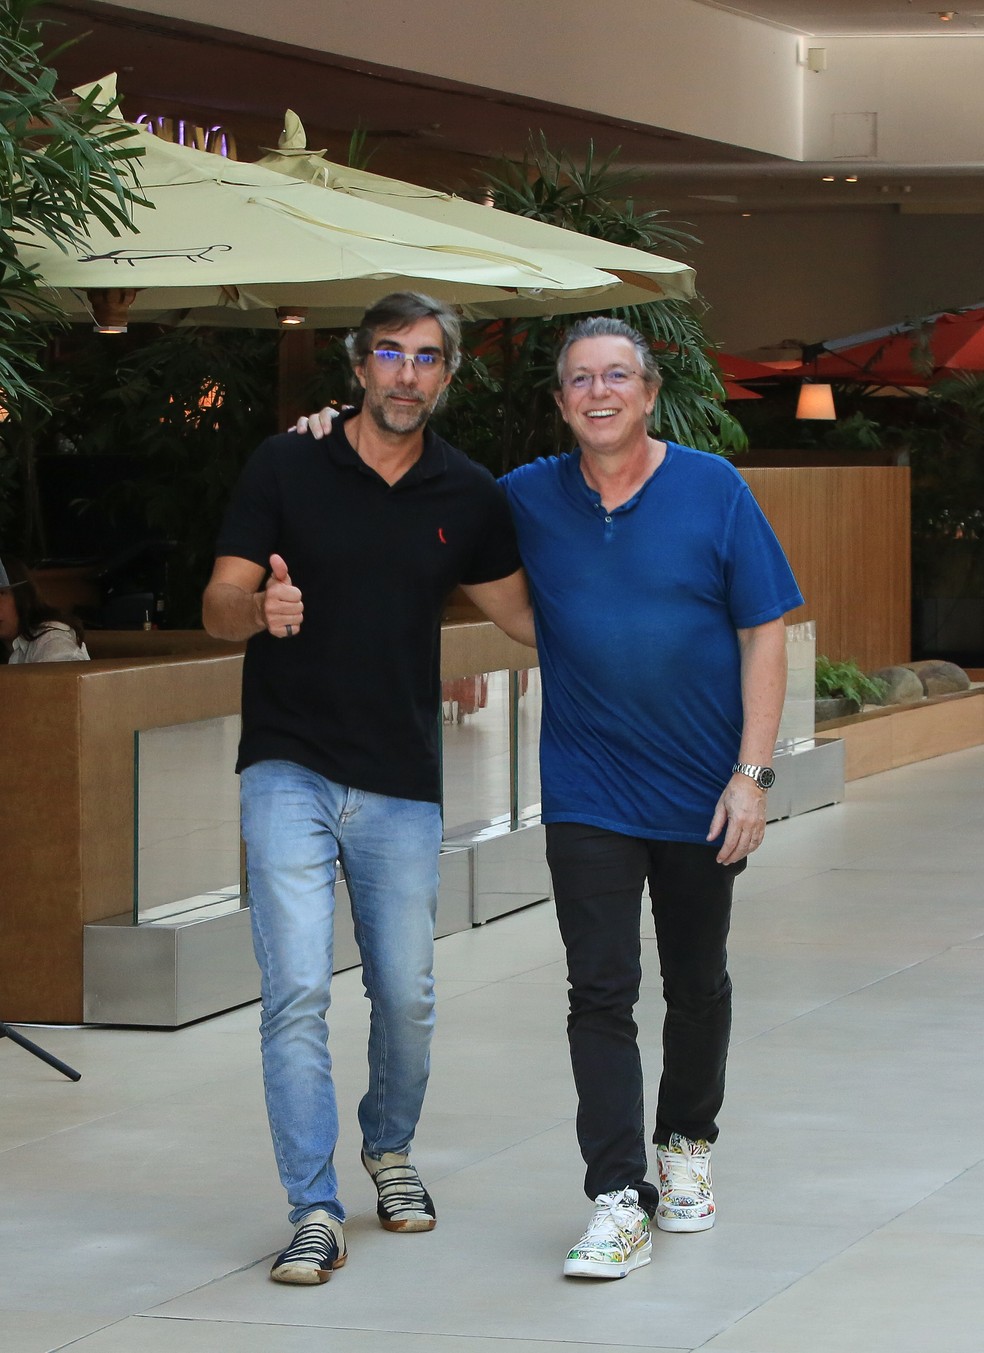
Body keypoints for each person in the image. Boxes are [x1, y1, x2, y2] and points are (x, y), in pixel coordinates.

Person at [299, 314, 802, 1283]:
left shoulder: (713, 488)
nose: (599, 393)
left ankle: (687, 1144)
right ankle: (618, 1196)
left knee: (696, 981)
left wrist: (752, 773)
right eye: (580, 380)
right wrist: (331, 435)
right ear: (561, 401)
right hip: (588, 789)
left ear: (650, 392)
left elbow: (764, 630)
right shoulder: (523, 496)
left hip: (704, 788)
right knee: (600, 990)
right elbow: (422, 499)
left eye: (618, 377)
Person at [202, 292, 534, 1287]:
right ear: (358, 366)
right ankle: (311, 1206)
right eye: (389, 354)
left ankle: (388, 1149)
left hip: (399, 778)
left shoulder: (467, 494)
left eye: (427, 358)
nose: (406, 374)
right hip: (288, 767)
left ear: (447, 375)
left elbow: (531, 617)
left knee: (407, 996)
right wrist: (258, 604)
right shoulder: (285, 464)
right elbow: (218, 609)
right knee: (297, 991)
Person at [0, 556, 90, 663]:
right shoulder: (6, 645)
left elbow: (63, 678)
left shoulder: (52, 640)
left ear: (23, 595)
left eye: (1, 594)